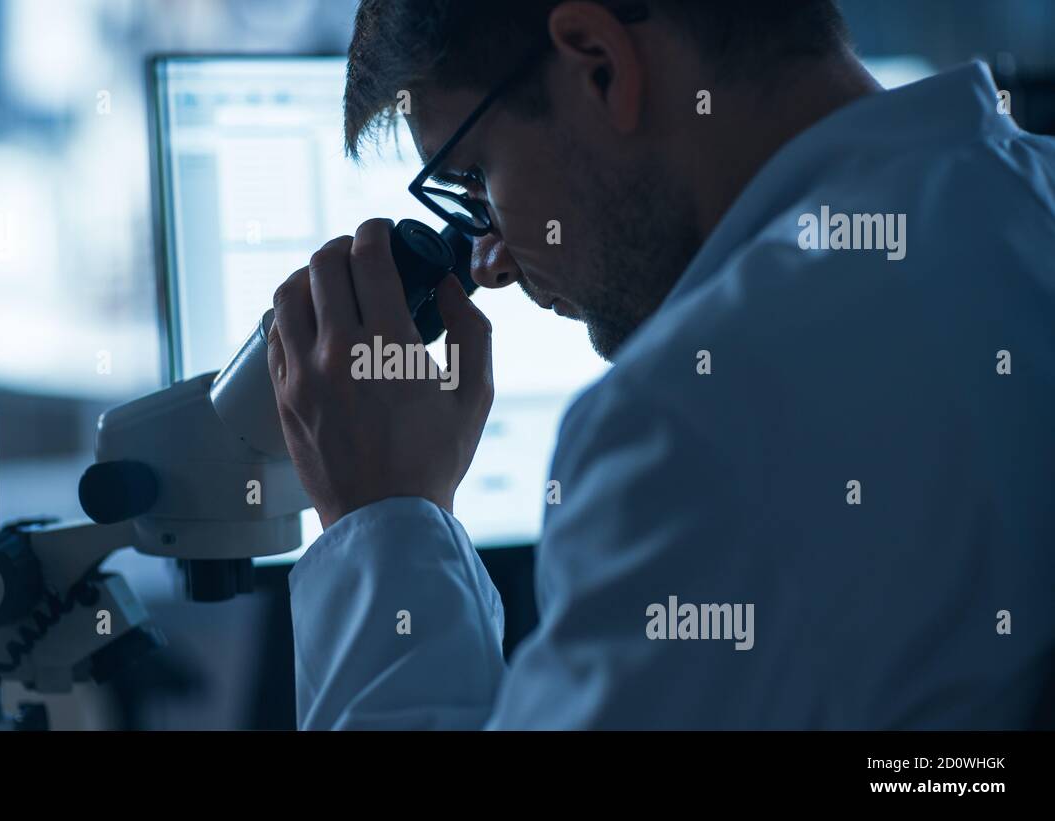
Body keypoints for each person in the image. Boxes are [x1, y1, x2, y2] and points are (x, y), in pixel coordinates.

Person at [264, 0, 1055, 729]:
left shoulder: (691, 427)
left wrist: (383, 526)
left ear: (600, 65)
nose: (490, 262)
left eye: (476, 179)